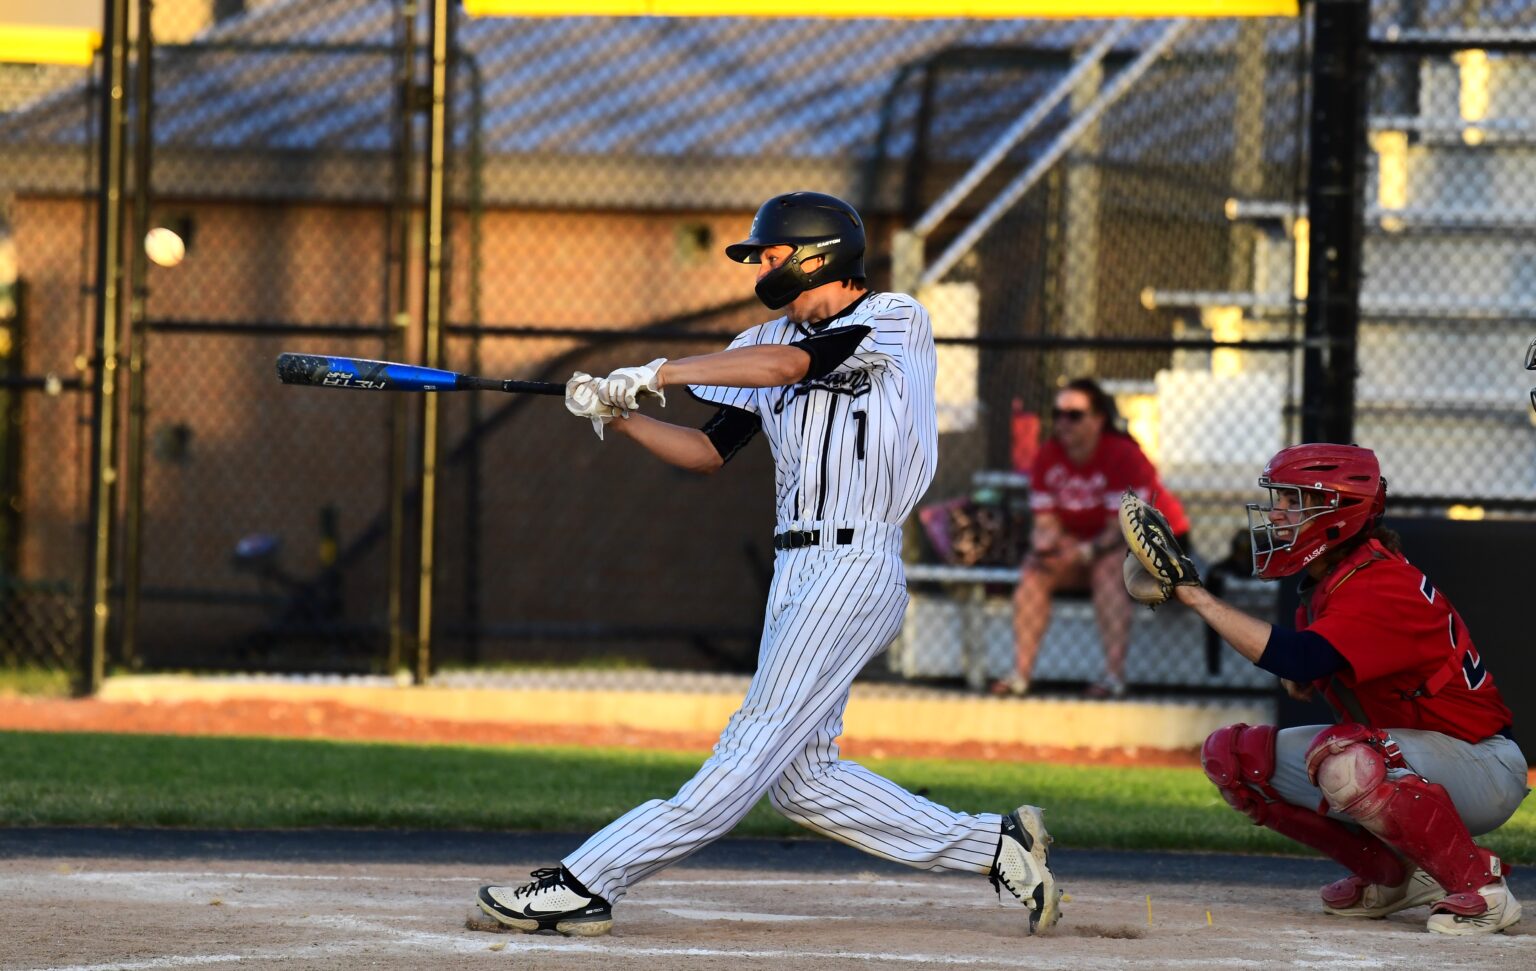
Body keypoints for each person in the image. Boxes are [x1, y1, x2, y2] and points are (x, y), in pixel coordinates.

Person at [472, 191, 1062, 938]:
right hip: (798, 572)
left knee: (747, 752)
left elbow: (791, 365)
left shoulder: (892, 318)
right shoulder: (761, 338)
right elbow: (708, 450)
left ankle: (588, 879)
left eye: (773, 253)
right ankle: (994, 844)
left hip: (854, 562)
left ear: (818, 254)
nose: (762, 264)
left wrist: (659, 368)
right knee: (804, 782)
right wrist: (618, 414)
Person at [1136, 443, 1525, 935]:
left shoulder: (1379, 582)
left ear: (1340, 512)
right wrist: (1299, 671)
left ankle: (1480, 887)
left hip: (1482, 766)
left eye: (1295, 501)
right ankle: (1391, 876)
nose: (1277, 513)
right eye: (1280, 498)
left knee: (1344, 759)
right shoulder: (1332, 583)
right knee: (1235, 757)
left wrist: (1193, 594)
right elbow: (1305, 669)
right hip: (1421, 756)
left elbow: (1298, 658)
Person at [995, 378, 1188, 699]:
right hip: (1083, 547)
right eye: (1058, 414)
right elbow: (1046, 522)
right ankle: (1021, 674)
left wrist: (1083, 551)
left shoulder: (1124, 455)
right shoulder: (1048, 455)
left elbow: (1124, 531)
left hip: (1153, 548)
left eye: (1074, 415)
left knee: (1109, 568)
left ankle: (1113, 676)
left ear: (1098, 419)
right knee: (1034, 569)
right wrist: (1048, 545)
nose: (1062, 422)